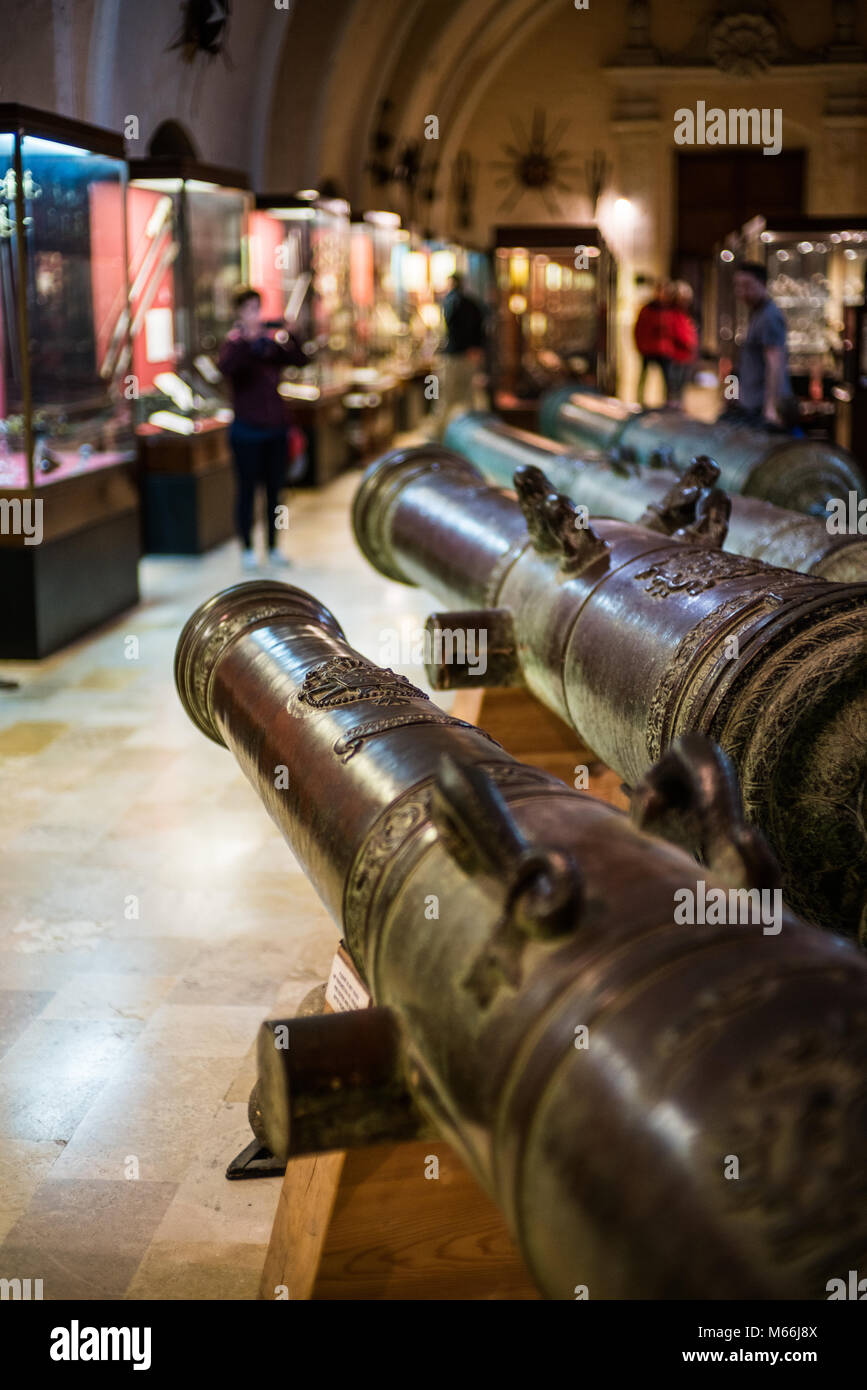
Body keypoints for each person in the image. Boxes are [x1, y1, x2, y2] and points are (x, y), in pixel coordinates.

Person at [218, 287, 308, 570]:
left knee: (275, 493)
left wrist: (292, 335)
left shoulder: (268, 346)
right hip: (246, 432)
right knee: (247, 491)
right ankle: (246, 547)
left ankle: (273, 545)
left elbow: (299, 360)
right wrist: (247, 340)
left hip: (275, 430)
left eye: (257, 308)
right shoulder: (234, 345)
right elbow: (227, 369)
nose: (255, 315)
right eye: (249, 309)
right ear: (239, 312)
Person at [726, 261, 792, 428]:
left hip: (760, 407)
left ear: (762, 284)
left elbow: (775, 362)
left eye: (747, 285)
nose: (741, 292)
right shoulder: (757, 313)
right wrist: (732, 394)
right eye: (738, 286)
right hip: (751, 403)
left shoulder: (769, 316)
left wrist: (771, 407)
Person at [428, 273, 486, 438]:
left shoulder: (451, 301)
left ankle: (439, 435)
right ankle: (468, 435)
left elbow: (449, 330)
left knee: (445, 398)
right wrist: (475, 347)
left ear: (452, 283)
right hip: (469, 356)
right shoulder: (473, 303)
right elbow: (482, 328)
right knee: (468, 398)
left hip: (453, 357)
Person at [634, 283, 673, 405]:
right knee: (644, 376)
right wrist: (641, 346)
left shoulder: (669, 310)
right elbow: (639, 329)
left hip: (663, 350)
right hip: (649, 348)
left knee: (667, 379)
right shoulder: (647, 309)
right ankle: (640, 400)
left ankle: (667, 402)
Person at [665, 281, 698, 406]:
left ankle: (678, 403)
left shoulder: (684, 314)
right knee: (674, 382)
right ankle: (673, 404)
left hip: (684, 355)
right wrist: (688, 342)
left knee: (682, 383)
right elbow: (677, 332)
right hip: (676, 354)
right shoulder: (673, 314)